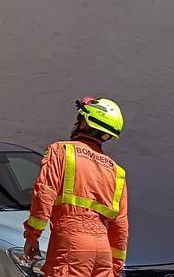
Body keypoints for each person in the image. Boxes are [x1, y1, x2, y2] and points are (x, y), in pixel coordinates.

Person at [23, 97, 129, 277]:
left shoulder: (61, 151)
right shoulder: (116, 171)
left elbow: (44, 195)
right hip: (102, 250)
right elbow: (120, 225)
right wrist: (115, 265)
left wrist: (32, 236)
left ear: (86, 123)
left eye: (79, 119)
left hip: (70, 244)